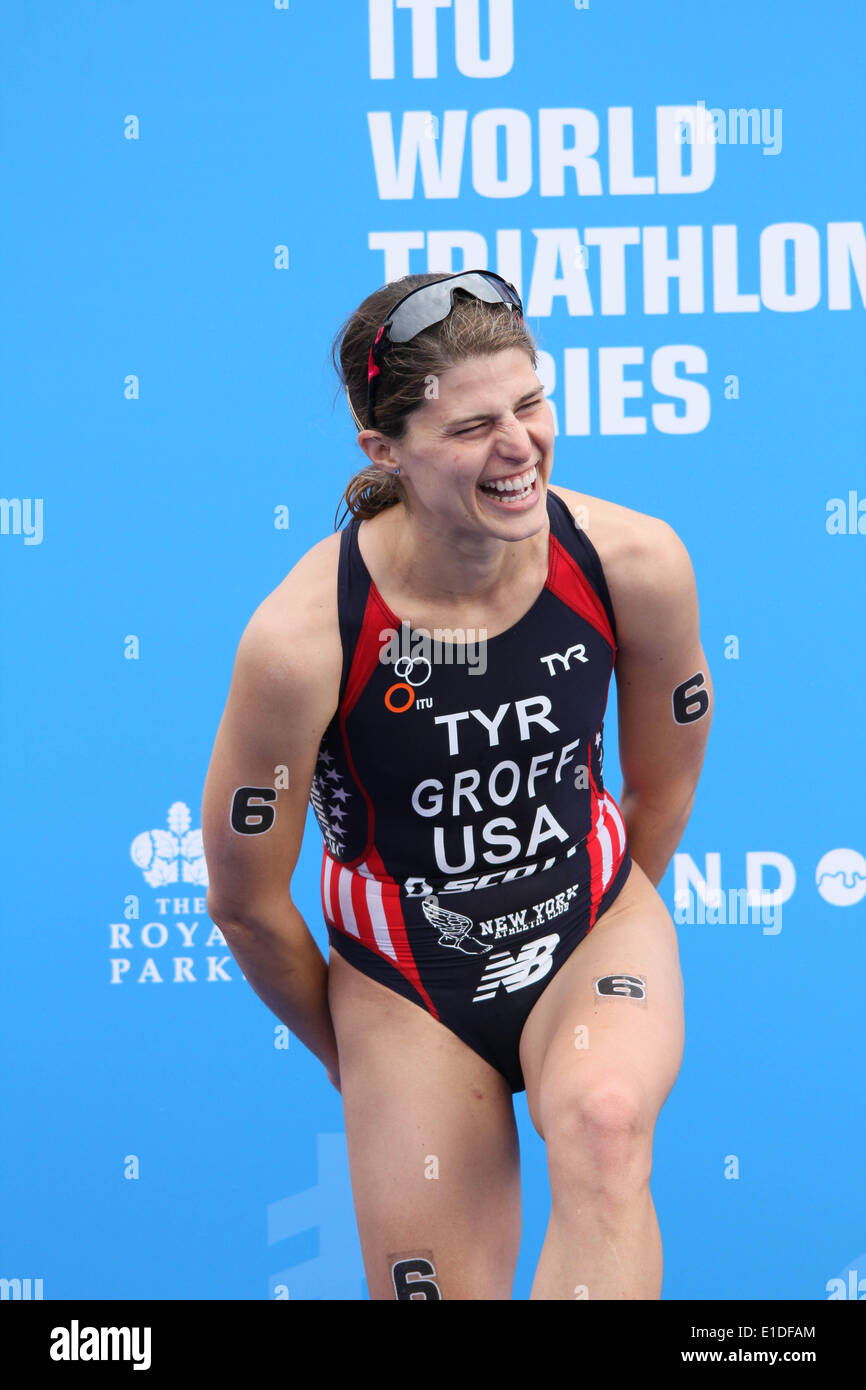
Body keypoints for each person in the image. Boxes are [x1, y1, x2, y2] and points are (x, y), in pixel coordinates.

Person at [201, 270, 713, 1301]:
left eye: (530, 403)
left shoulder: (633, 562)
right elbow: (246, 902)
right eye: (471, 426)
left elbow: (660, 789)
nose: (518, 446)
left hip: (589, 921)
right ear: (381, 452)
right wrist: (357, 1042)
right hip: (403, 980)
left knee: (605, 1120)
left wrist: (596, 913)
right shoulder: (300, 641)